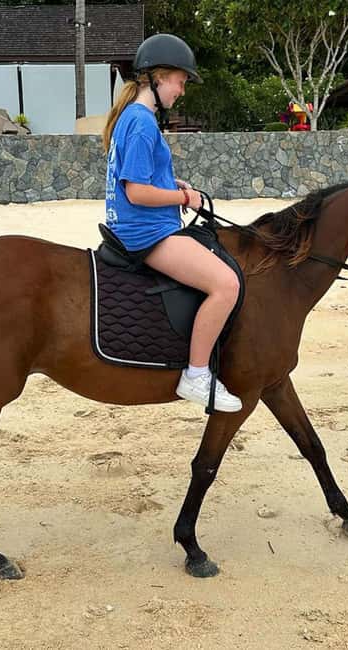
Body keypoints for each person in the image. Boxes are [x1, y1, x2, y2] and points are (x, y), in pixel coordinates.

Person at [102, 33, 242, 413]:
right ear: (158, 77)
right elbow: (136, 192)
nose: (182, 90)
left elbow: (142, 180)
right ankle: (196, 375)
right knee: (226, 284)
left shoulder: (133, 117)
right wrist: (185, 197)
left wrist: (171, 183)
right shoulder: (142, 122)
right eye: (180, 81)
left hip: (141, 226)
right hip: (145, 232)